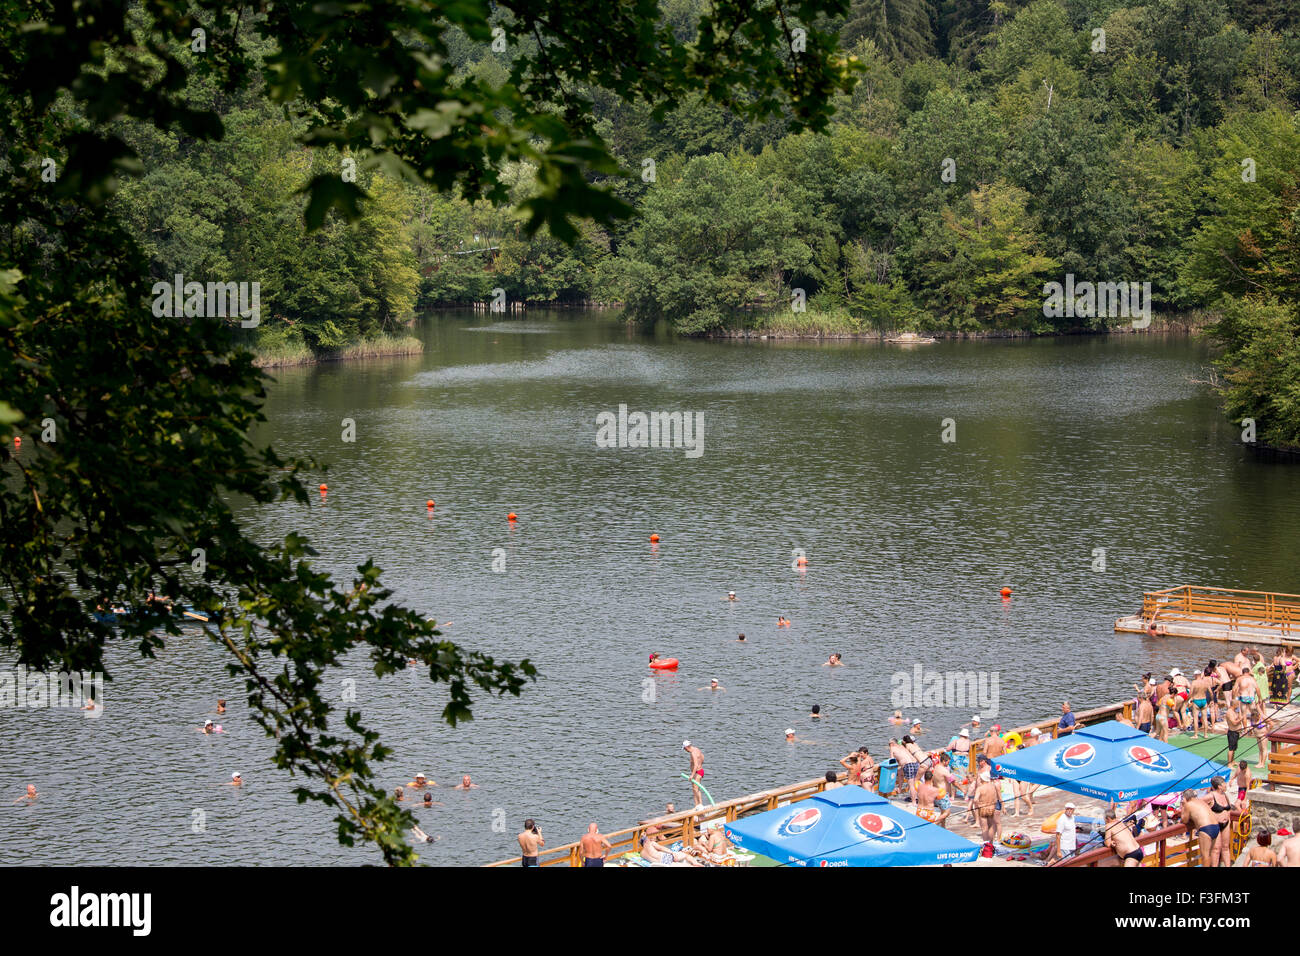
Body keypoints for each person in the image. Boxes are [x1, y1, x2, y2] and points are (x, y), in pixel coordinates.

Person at [1179, 790, 1219, 868]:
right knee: (1210, 853)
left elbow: (1184, 820)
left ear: (1185, 798)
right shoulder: (1201, 801)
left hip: (1206, 828)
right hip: (1215, 826)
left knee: (1205, 855)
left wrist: (1183, 806)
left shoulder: (1188, 804)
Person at [683, 741, 704, 806]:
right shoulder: (697, 749)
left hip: (697, 773)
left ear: (686, 747)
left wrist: (692, 775)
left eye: (684, 749)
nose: (685, 750)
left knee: (695, 790)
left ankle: (697, 805)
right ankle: (700, 804)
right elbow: (702, 757)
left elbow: (695, 765)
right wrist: (700, 764)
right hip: (700, 771)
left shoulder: (693, 753)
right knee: (697, 789)